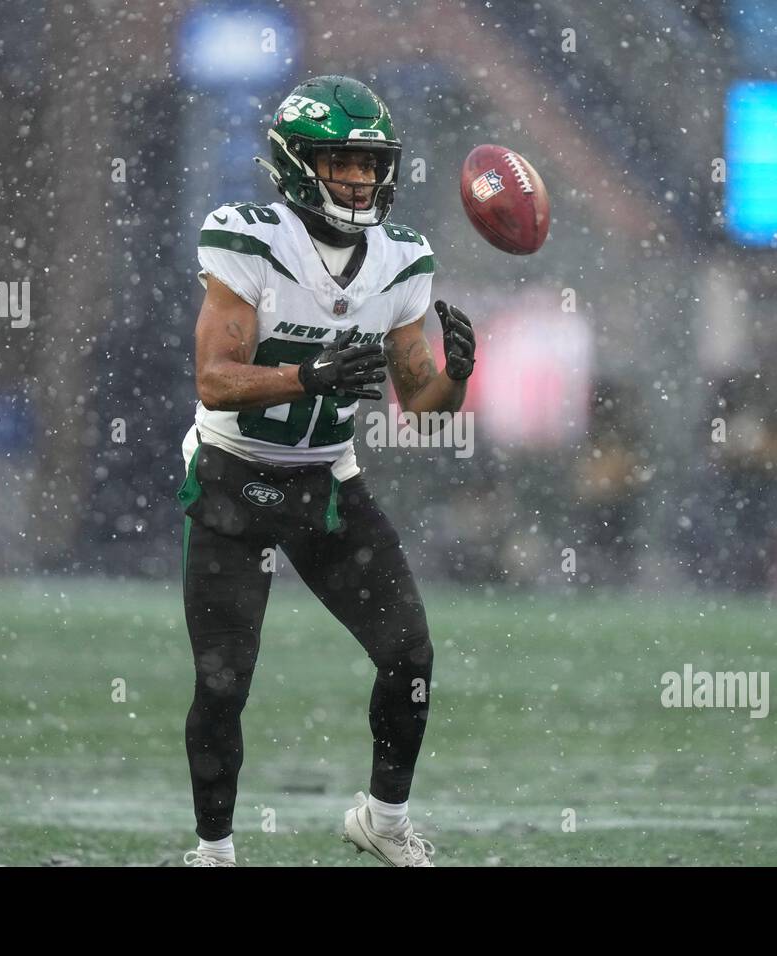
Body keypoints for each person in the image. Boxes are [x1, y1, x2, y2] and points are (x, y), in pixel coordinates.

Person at [177, 75, 476, 867]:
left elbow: (421, 404)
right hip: (233, 475)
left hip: (326, 484)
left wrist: (457, 376)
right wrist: (307, 375)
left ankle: (383, 819)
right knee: (224, 682)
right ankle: (213, 851)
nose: (359, 179)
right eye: (342, 162)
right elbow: (214, 379)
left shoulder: (401, 258)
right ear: (298, 163)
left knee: (409, 653)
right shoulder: (250, 240)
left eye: (370, 164)